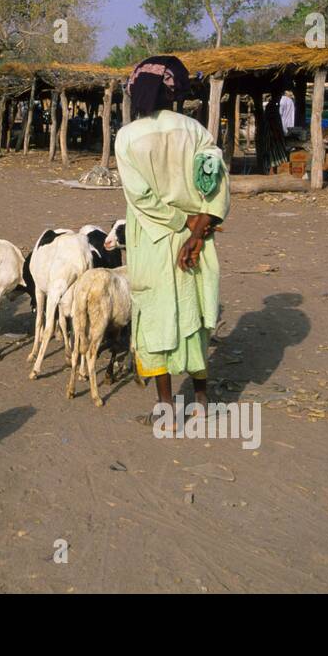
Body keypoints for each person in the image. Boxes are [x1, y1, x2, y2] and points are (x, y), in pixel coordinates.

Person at [114, 56, 230, 432]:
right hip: (197, 238)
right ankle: (200, 404)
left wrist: (180, 224)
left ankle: (165, 412)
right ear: (175, 90)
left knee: (155, 318)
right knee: (194, 317)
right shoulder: (196, 132)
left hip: (153, 237)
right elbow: (216, 181)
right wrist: (197, 231)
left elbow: (141, 197)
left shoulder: (127, 137)